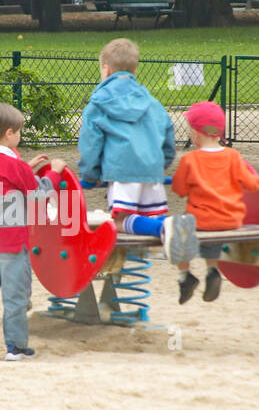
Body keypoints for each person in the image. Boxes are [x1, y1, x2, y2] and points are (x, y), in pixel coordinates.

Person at [77, 37, 198, 265]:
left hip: (122, 170)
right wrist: (157, 166)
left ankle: (166, 226)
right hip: (151, 170)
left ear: (106, 69)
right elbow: (168, 141)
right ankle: (164, 233)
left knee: (120, 221)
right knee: (143, 221)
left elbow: (91, 145)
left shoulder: (97, 104)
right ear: (135, 68)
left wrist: (91, 176)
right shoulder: (152, 103)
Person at [0, 102, 65, 361]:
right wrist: (54, 174)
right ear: (10, 133)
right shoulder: (16, 167)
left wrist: (25, 168)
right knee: (15, 297)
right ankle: (16, 347)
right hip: (11, 242)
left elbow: (4, 181)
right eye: (19, 131)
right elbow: (38, 194)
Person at [170, 101, 259, 303]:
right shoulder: (233, 156)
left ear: (196, 132)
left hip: (202, 221)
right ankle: (212, 270)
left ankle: (185, 276)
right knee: (213, 229)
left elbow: (179, 189)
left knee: (176, 227)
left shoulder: (190, 160)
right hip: (231, 220)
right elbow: (253, 184)